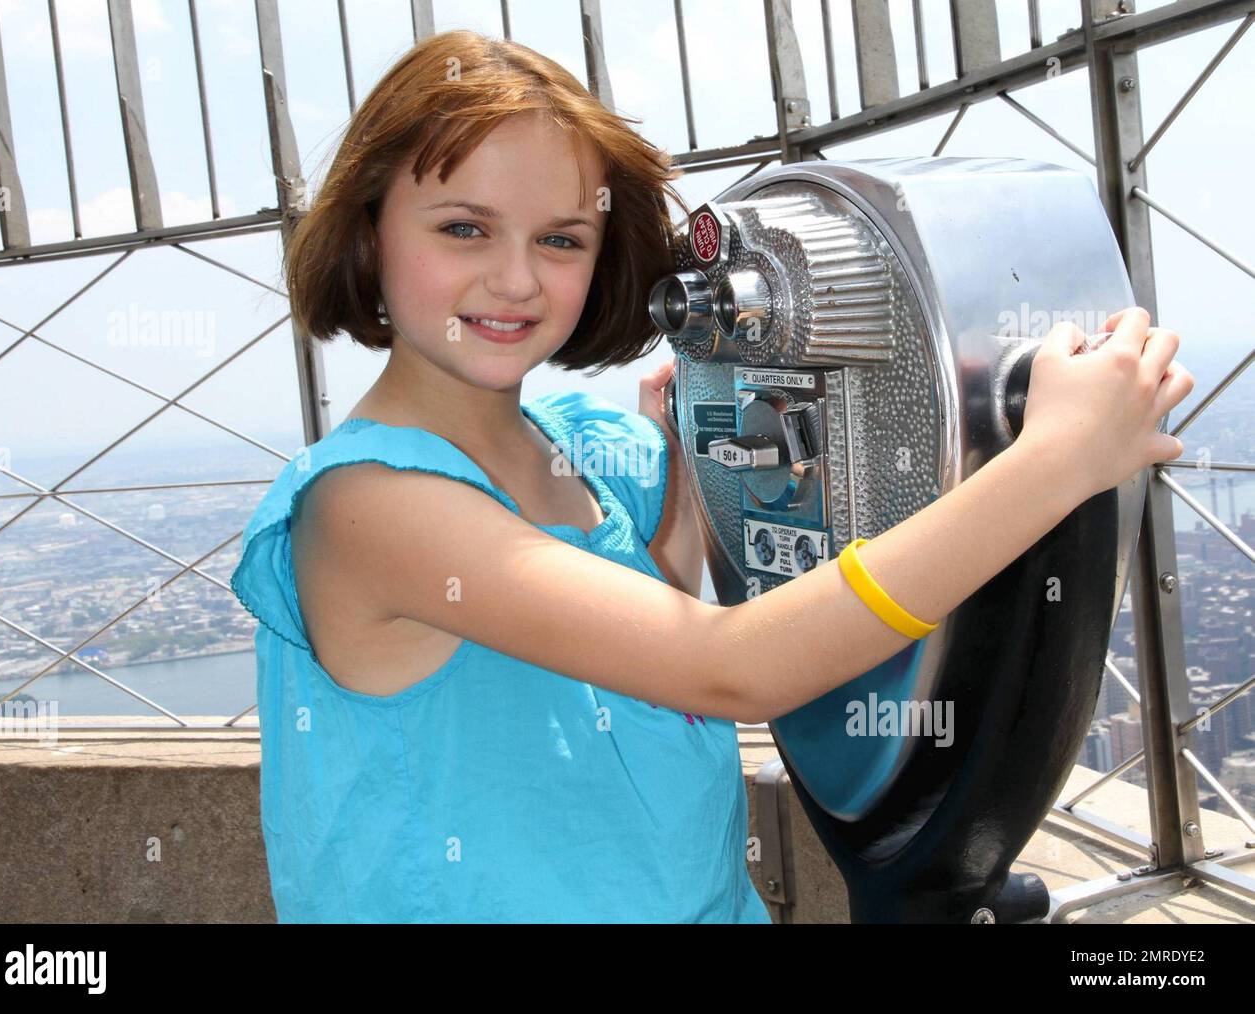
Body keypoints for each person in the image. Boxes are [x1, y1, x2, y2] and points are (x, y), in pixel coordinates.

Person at [229, 29, 1193, 924]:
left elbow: (618, 645)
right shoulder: (372, 507)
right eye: (464, 229)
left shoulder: (573, 447)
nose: (517, 280)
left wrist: (690, 486)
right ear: (366, 233)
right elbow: (730, 667)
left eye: (562, 238)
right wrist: (1056, 463)